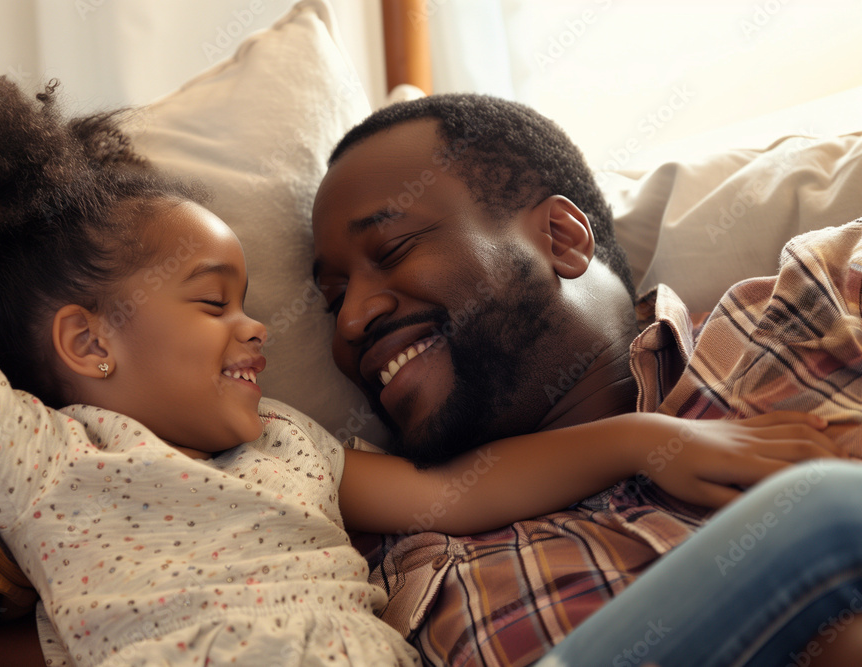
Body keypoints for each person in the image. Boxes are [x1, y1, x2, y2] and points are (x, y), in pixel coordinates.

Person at [0, 75, 835, 666]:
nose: (279, 330)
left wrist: (649, 438)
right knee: (829, 516)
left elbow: (448, 491)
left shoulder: (298, 450)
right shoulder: (46, 462)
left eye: (392, 247)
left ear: (563, 235)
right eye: (214, 303)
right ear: (87, 343)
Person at [311, 93, 862, 665]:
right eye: (332, 301)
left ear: (562, 238)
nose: (350, 321)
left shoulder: (822, 302)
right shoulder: (361, 553)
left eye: (393, 247)